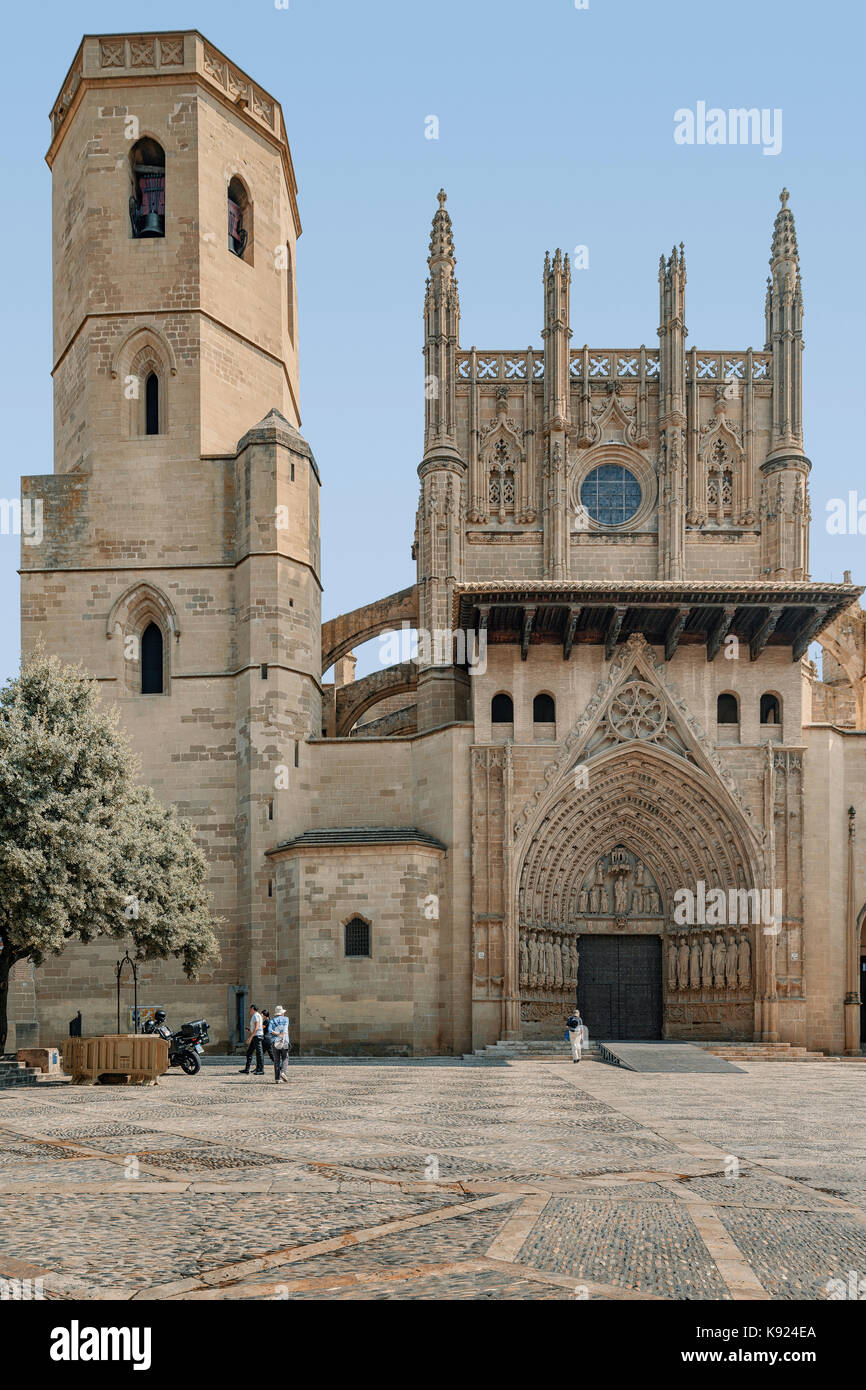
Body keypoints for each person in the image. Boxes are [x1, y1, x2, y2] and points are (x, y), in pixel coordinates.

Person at [239, 1003, 265, 1075]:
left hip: (257, 1036)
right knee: (249, 1052)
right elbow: (257, 1027)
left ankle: (261, 1070)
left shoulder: (256, 1016)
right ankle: (247, 1069)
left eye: (250, 1009)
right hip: (256, 1036)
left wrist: (250, 1038)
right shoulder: (258, 1015)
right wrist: (250, 1029)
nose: (249, 1010)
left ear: (252, 1008)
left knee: (259, 1054)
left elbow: (257, 1028)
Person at [268, 1006, 290, 1083]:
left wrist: (277, 1034)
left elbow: (270, 1030)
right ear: (282, 1013)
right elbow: (285, 1029)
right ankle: (283, 1072)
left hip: (275, 1041)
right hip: (284, 1041)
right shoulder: (286, 1019)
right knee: (285, 1057)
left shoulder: (272, 1021)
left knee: (276, 1060)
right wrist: (283, 1037)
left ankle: (277, 1079)